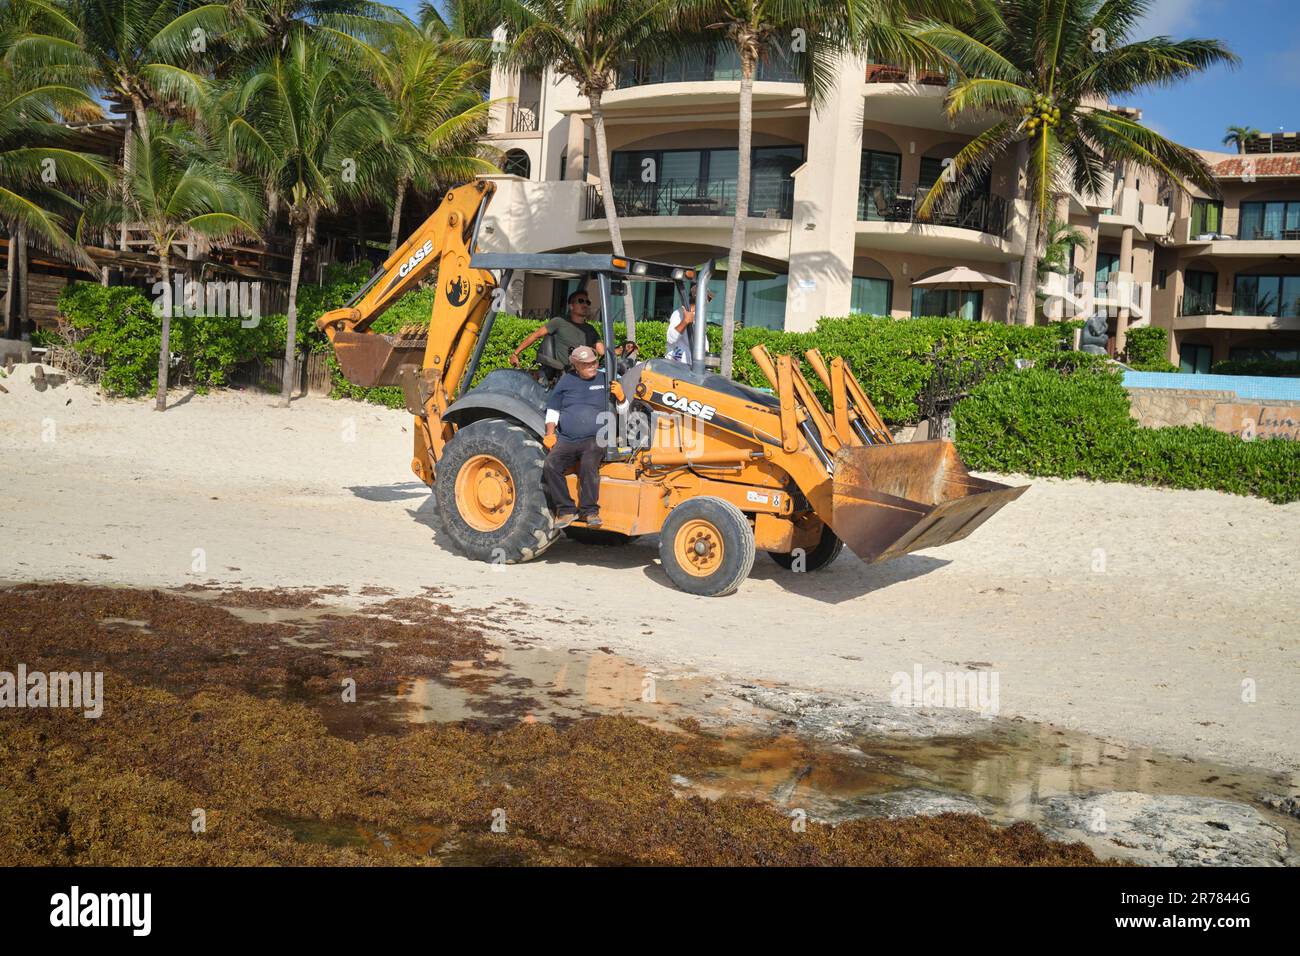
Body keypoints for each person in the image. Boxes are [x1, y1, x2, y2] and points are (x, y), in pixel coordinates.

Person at [542, 345, 607, 528]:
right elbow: (553, 408)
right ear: (576, 365)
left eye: (594, 362)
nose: (592, 366)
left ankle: (590, 511)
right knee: (550, 465)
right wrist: (549, 434)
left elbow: (623, 407)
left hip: (596, 437)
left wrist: (621, 397)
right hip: (568, 439)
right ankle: (566, 510)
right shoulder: (566, 381)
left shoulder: (605, 379)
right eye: (587, 364)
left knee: (589, 464)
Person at [510, 289, 604, 381]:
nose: (585, 304)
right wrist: (515, 353)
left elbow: (602, 351)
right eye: (581, 301)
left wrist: (616, 351)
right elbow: (536, 335)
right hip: (567, 374)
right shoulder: (559, 322)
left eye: (587, 302)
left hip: (586, 374)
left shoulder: (591, 329)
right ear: (571, 306)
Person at [665, 284, 711, 365]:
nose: (708, 302)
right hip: (677, 364)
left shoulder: (699, 316)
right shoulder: (678, 314)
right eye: (707, 298)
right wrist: (685, 321)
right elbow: (670, 338)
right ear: (698, 298)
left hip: (693, 365)